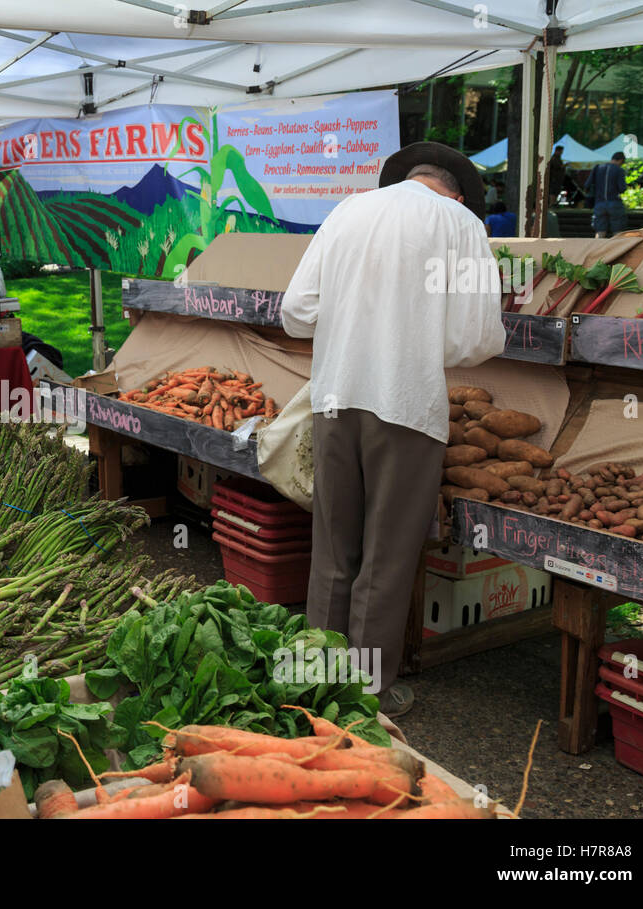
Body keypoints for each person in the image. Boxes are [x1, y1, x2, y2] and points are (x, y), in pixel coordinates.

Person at [280, 142, 505, 719]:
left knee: (332, 552)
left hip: (334, 399)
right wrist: (419, 336)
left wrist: (354, 324)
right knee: (385, 560)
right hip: (405, 407)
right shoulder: (460, 225)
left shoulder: (348, 210)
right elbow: (477, 339)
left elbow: (297, 311)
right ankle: (364, 702)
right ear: (455, 192)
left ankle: (314, 687)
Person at [586, 151, 628, 237]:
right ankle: (618, 250)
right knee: (617, 231)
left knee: (600, 231)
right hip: (614, 203)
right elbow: (622, 188)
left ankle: (597, 249)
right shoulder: (619, 170)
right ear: (620, 160)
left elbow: (587, 185)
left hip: (599, 203)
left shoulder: (597, 168)